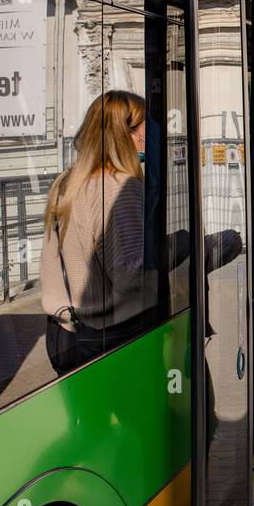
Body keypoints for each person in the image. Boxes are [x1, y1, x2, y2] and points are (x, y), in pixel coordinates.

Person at [40, 90, 146, 374]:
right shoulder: (117, 187)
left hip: (64, 335)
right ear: (128, 134)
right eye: (147, 129)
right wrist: (196, 249)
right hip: (110, 338)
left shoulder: (68, 183)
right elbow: (130, 275)